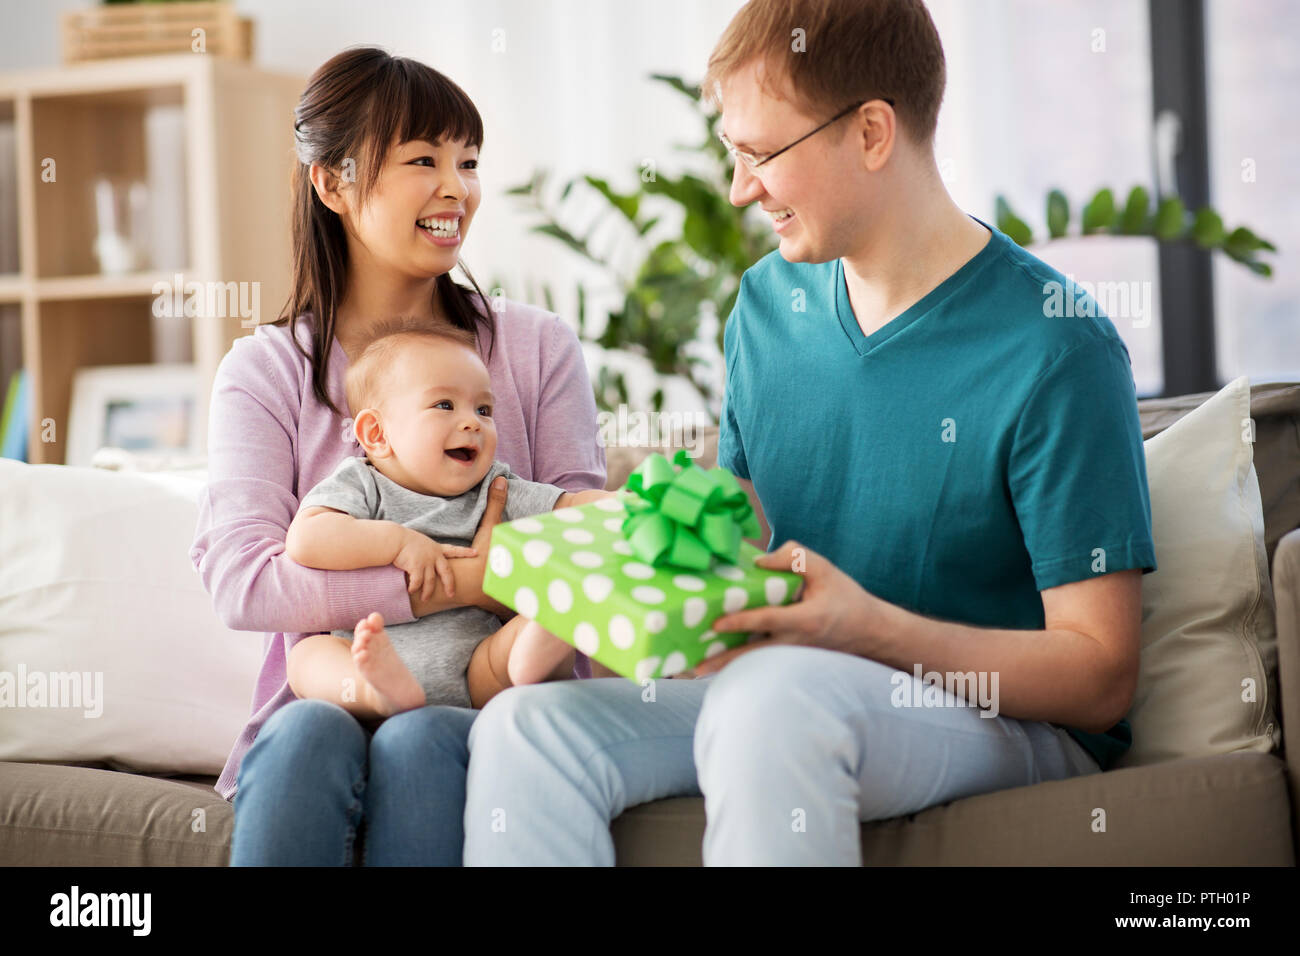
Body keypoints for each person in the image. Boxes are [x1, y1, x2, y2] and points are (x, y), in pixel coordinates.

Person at [461, 0, 1156, 866]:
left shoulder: (1057, 345)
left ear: (870, 133)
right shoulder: (766, 307)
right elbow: (746, 531)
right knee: (526, 730)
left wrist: (863, 628)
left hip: (1000, 721)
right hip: (789, 686)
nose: (740, 188)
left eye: (761, 153)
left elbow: (1100, 676)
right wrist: (628, 549)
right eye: (734, 152)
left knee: (773, 698)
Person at [189, 47, 605, 866]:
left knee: (419, 742)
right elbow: (243, 579)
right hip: (327, 684)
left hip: (492, 691)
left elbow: (587, 539)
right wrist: (461, 578)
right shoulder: (266, 372)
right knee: (307, 730)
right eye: (423, 160)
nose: (457, 188)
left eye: (468, 161)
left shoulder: (535, 348)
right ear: (334, 184)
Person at [284, 319, 615, 717]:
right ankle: (376, 693)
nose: (472, 421)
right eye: (445, 405)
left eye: (484, 408)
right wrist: (399, 542)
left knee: (542, 609)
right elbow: (307, 539)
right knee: (307, 655)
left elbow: (569, 506)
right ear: (376, 433)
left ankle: (534, 652)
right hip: (373, 655)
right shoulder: (361, 483)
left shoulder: (497, 486)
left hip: (479, 668)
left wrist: (626, 505)